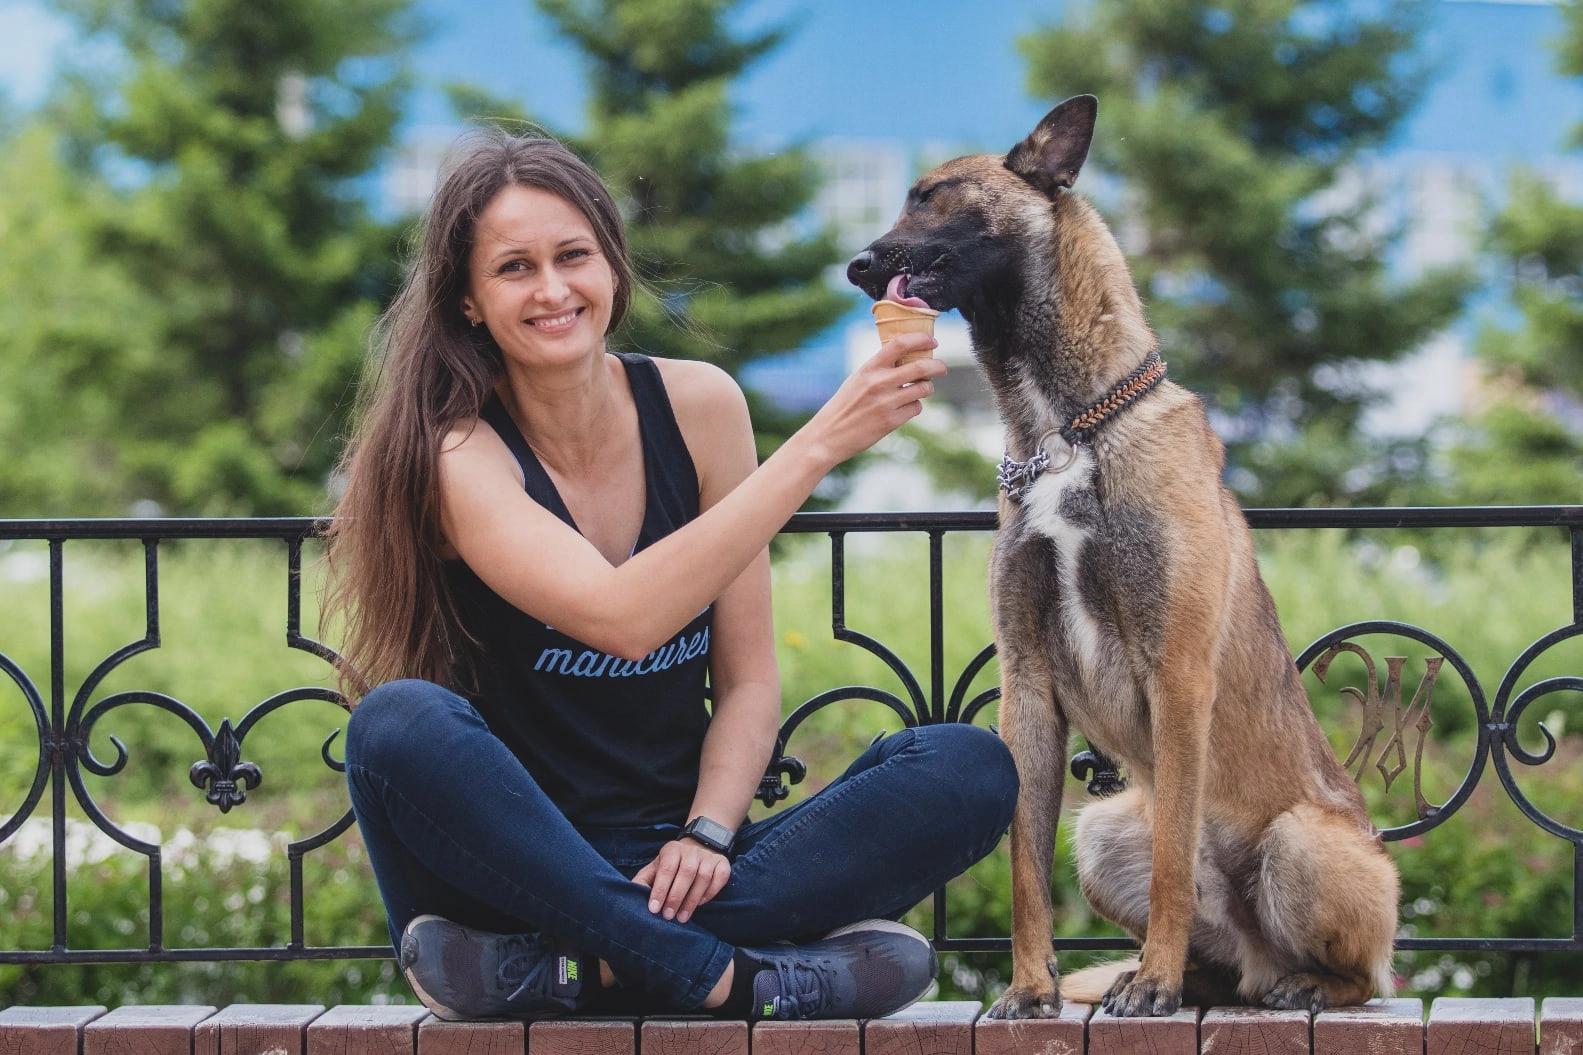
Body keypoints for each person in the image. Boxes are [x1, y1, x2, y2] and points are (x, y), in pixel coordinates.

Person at [323, 128, 1019, 1023]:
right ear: (468, 299)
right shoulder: (458, 452)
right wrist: (816, 446)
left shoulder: (698, 406)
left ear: (611, 265)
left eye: (573, 256)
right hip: (514, 874)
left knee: (967, 767)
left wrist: (708, 832)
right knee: (395, 722)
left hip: (685, 867)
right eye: (514, 268)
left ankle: (576, 970)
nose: (552, 290)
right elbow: (621, 619)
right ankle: (746, 979)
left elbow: (749, 680)